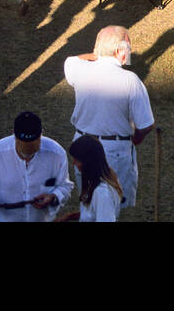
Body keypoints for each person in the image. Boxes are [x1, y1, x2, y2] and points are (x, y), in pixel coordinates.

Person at [65, 26, 156, 214]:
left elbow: (73, 59)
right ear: (119, 51)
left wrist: (99, 53)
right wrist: (136, 140)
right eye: (128, 47)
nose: (130, 51)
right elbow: (146, 125)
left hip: (82, 145)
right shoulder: (131, 80)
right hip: (114, 151)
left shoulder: (78, 69)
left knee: (87, 201)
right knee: (110, 206)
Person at [0, 112, 73, 222]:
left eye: (33, 147)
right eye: (23, 146)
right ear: (14, 136)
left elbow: (65, 186)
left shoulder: (57, 154)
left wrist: (53, 197)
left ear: (42, 134)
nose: (27, 152)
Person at [61, 135, 123, 222]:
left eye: (77, 160)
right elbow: (92, 214)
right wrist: (69, 217)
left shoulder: (102, 193)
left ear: (89, 162)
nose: (74, 163)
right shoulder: (95, 183)